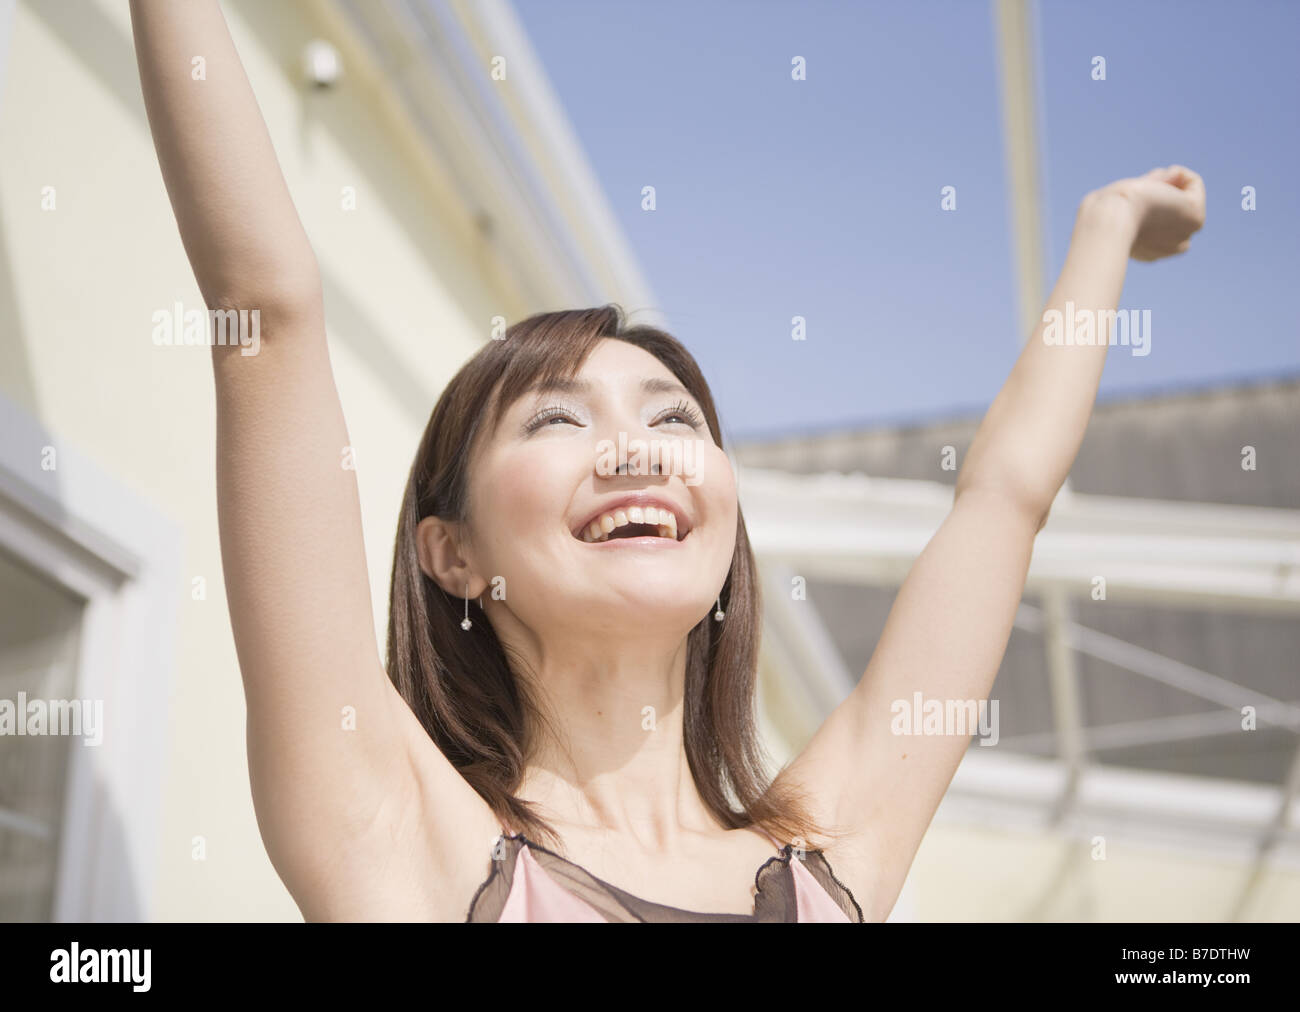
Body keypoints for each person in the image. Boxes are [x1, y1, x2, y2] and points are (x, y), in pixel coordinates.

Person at [129, 0, 1206, 922]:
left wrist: (1106, 228)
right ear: (449, 552)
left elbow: (1003, 501)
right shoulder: (394, 832)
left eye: (675, 420)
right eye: (557, 420)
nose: (636, 447)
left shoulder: (829, 859)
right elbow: (265, 316)